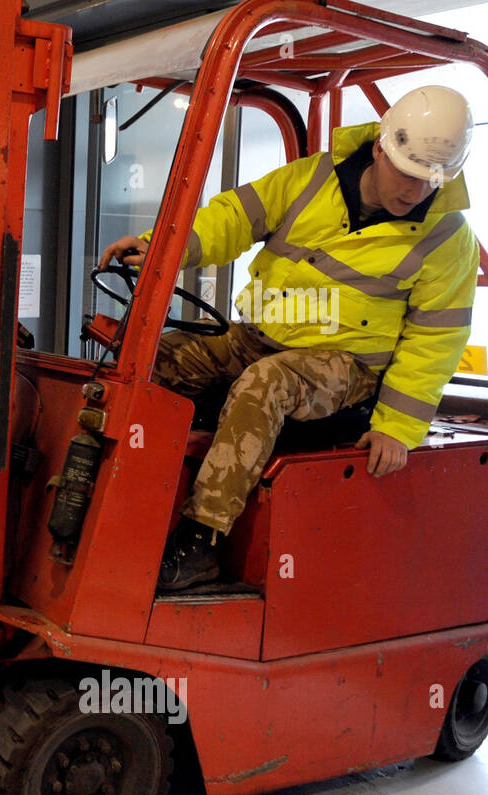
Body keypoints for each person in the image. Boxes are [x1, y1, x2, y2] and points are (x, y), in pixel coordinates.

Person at [98, 85, 478, 591]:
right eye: (408, 175)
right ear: (381, 148)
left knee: (265, 384)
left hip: (346, 368)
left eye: (432, 181)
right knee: (152, 357)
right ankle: (116, 502)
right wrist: (158, 247)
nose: (416, 192)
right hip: (257, 336)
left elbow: (437, 340)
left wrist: (398, 428)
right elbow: (232, 218)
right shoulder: (312, 179)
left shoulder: (448, 240)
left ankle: (200, 541)